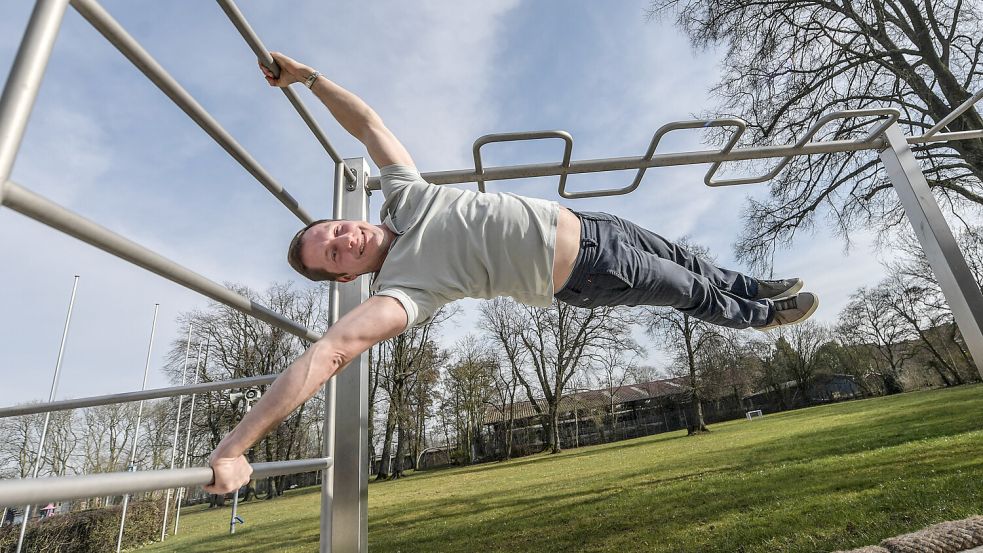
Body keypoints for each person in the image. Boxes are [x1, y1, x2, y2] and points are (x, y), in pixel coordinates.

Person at [204, 52, 818, 493]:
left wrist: (310, 79)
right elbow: (333, 350)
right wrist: (235, 447)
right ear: (345, 277)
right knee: (686, 291)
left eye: (334, 230)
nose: (345, 239)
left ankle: (754, 288)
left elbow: (369, 125)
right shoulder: (405, 289)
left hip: (595, 223)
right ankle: (762, 317)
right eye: (335, 254)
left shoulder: (405, 198)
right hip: (589, 270)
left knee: (692, 261)